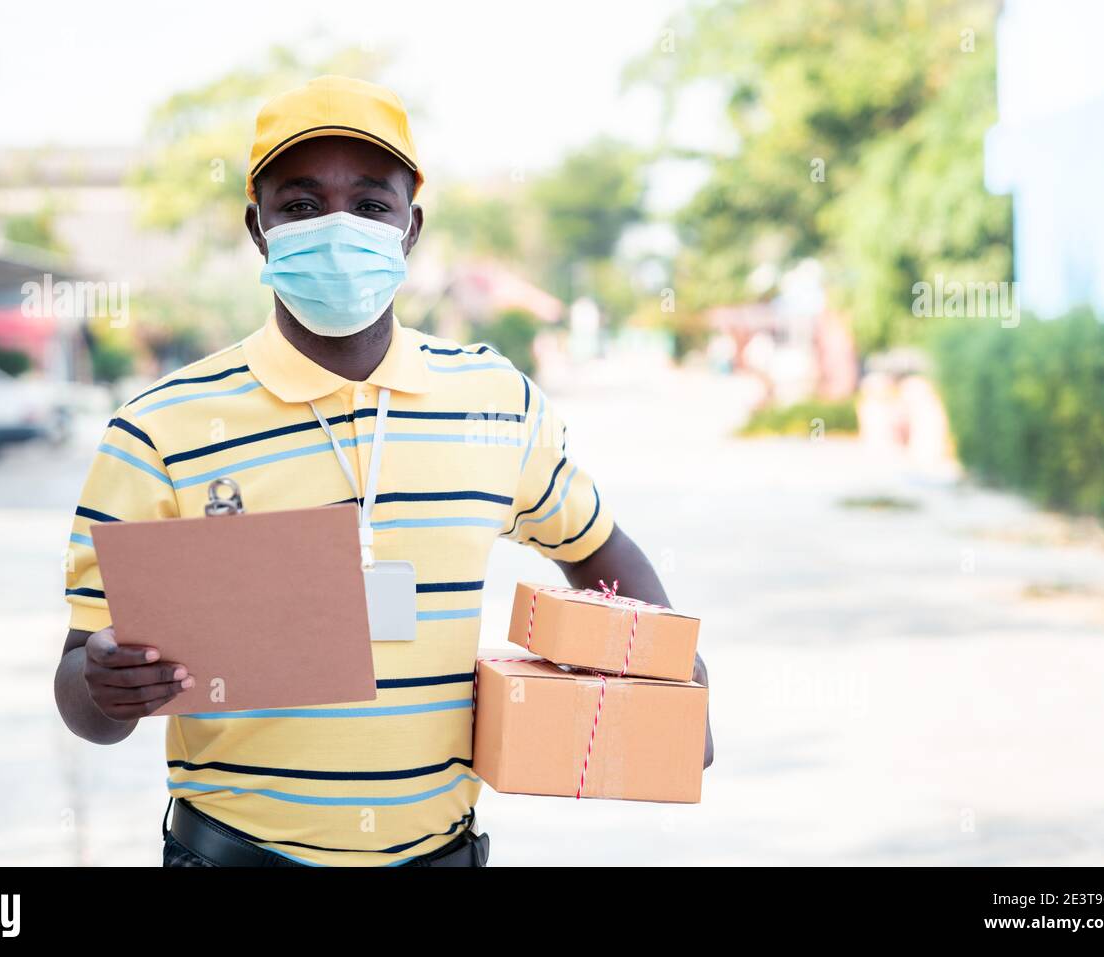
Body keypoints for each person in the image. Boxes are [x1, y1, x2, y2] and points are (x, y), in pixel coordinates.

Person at [53, 75, 712, 867]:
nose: (337, 227)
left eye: (369, 205)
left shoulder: (494, 402)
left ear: (411, 226)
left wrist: (673, 676)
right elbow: (83, 694)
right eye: (300, 205)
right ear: (257, 227)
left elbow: (597, 547)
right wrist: (103, 687)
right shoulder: (160, 429)